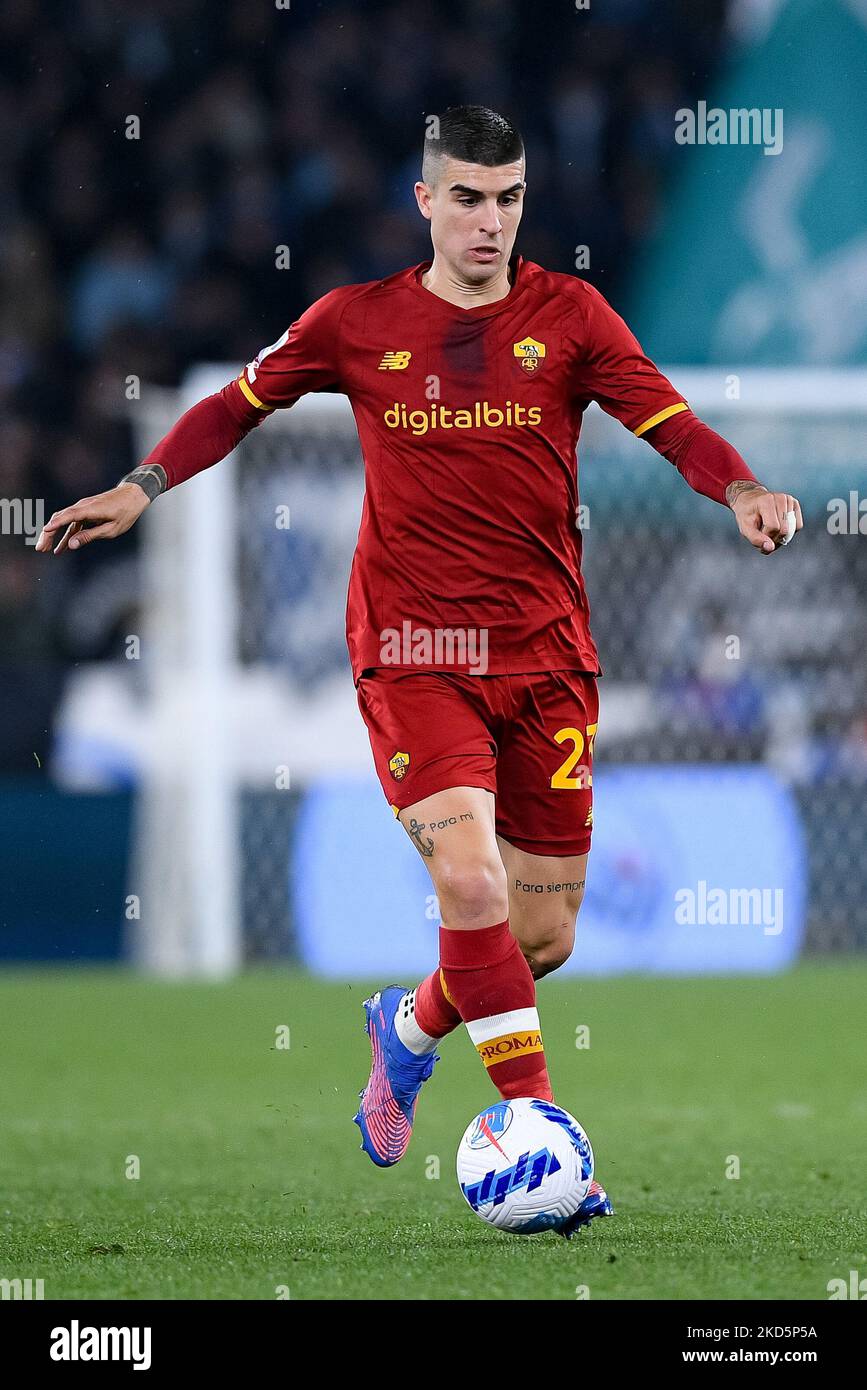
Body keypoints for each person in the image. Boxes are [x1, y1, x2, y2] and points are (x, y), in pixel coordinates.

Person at [37, 106, 803, 1235]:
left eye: (509, 199)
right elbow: (236, 406)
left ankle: (406, 1029)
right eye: (469, 198)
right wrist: (140, 486)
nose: (490, 222)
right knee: (473, 886)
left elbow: (672, 422)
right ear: (427, 201)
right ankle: (544, 1139)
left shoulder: (572, 316)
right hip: (413, 654)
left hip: (546, 660)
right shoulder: (356, 324)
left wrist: (740, 487)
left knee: (540, 939)